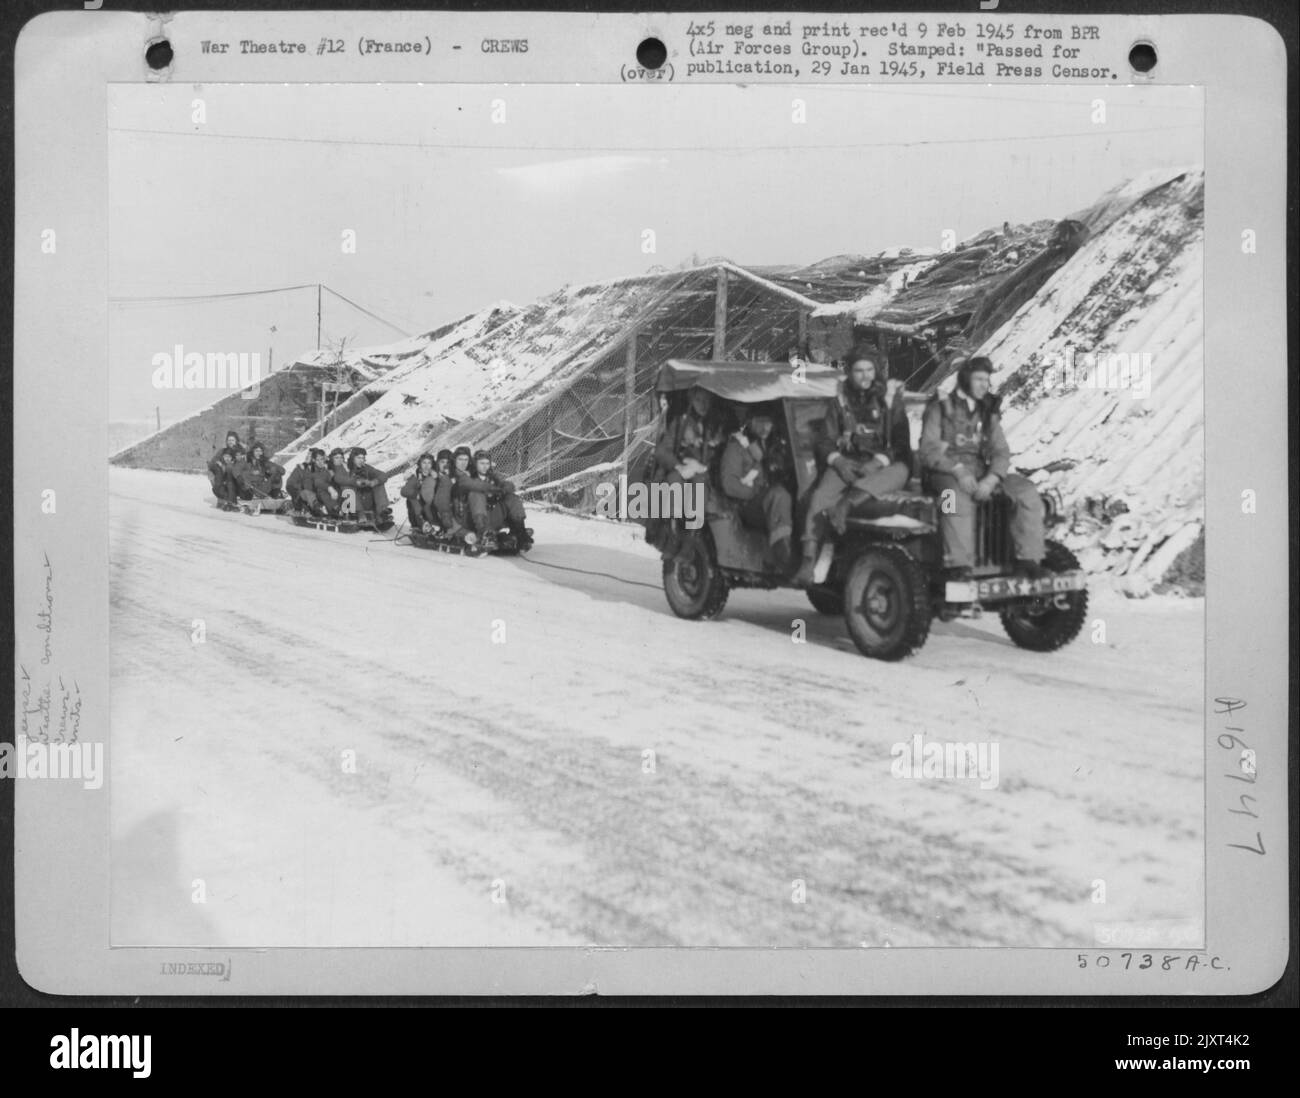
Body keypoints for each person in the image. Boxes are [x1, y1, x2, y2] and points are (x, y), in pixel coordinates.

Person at [918, 355, 1045, 579]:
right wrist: (957, 469)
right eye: (978, 379)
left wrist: (992, 478)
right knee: (952, 500)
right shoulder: (939, 408)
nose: (984, 385)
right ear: (965, 379)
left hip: (980, 471)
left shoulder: (987, 411)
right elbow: (928, 451)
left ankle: (1028, 559)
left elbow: (1001, 451)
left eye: (986, 380)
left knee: (1026, 491)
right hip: (943, 473)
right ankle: (958, 565)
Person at [794, 348, 911, 586]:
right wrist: (838, 461)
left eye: (869, 370)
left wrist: (878, 461)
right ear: (850, 373)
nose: (865, 376)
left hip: (879, 465)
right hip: (847, 463)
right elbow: (825, 440)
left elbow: (901, 444)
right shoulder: (839, 400)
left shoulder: (889, 399)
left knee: (900, 471)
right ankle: (808, 560)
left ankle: (846, 505)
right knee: (818, 498)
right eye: (859, 371)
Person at [719, 410, 794, 570]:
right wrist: (754, 493)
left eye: (769, 422)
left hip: (766, 499)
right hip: (747, 504)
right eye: (761, 421)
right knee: (779, 496)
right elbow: (729, 484)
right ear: (751, 421)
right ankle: (783, 557)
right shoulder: (737, 446)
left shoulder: (773, 445)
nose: (766, 427)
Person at [456, 450, 531, 551]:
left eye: (487, 463)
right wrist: (493, 489)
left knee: (512, 498)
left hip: (491, 515)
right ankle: (484, 533)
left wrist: (505, 488)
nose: (485, 466)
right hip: (471, 519)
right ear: (475, 463)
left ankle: (519, 530)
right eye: (481, 463)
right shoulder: (467, 476)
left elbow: (507, 485)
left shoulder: (492, 477)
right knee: (476, 494)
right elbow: (475, 485)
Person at [333, 445, 393, 525]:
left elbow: (383, 475)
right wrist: (356, 482)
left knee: (379, 484)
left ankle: (382, 512)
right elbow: (338, 478)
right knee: (347, 487)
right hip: (348, 503)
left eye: (363, 458)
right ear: (353, 458)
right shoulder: (344, 467)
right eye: (358, 458)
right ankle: (359, 514)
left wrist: (375, 481)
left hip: (365, 499)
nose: (361, 460)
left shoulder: (366, 468)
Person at [401, 453, 442, 531]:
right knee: (412, 500)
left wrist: (437, 479)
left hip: (433, 503)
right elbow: (404, 491)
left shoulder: (436, 475)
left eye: (429, 463)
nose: (426, 466)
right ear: (420, 464)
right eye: (424, 463)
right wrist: (415, 494)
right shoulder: (415, 477)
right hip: (419, 503)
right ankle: (420, 524)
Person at [206, 430, 246, 502]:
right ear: (226, 441)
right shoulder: (222, 451)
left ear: (236, 441)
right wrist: (219, 465)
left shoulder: (240, 451)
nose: (230, 442)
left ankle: (231, 500)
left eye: (232, 440)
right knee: (217, 489)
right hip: (223, 477)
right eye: (229, 440)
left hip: (236, 478)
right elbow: (213, 461)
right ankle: (228, 499)